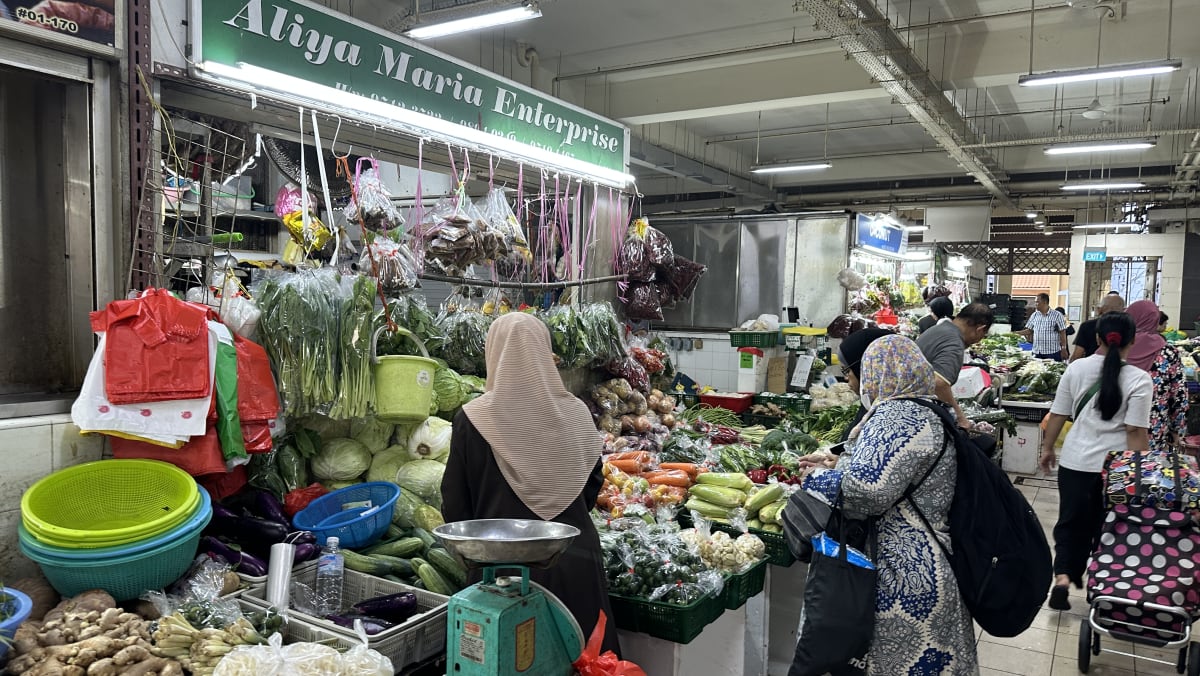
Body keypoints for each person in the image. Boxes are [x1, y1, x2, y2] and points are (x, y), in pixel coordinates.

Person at [440, 313, 620, 655]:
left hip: (500, 573)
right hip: (573, 559)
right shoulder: (578, 413)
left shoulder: (473, 419)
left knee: (508, 658)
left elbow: (455, 507)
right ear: (544, 353)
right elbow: (592, 487)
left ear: (495, 354)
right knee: (582, 657)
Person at [800, 335, 976, 675]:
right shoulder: (923, 408)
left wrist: (814, 479)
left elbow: (866, 492)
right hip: (929, 558)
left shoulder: (897, 415)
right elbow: (891, 474)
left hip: (904, 572)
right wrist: (837, 463)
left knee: (897, 662)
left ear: (878, 371)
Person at [1039, 312, 1152, 611]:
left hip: (1075, 463)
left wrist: (1047, 448)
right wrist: (1142, 473)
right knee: (1110, 530)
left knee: (1070, 524)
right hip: (1115, 471)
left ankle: (1062, 579)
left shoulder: (1076, 369)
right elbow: (1136, 432)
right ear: (1133, 341)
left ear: (1098, 339)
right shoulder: (1140, 380)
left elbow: (1058, 413)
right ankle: (1102, 590)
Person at [916, 302, 995, 428]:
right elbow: (939, 383)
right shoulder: (954, 342)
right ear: (980, 329)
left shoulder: (938, 329)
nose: (980, 340)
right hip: (917, 413)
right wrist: (960, 418)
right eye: (983, 336)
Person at [1126, 300, 1190, 453]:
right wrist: (1177, 430)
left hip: (1116, 428)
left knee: (1115, 471)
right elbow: (1179, 395)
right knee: (1145, 471)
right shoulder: (1167, 353)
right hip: (1153, 428)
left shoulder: (1119, 347)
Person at [833, 328, 895, 445]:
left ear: (865, 367)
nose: (846, 378)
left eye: (846, 370)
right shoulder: (871, 403)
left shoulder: (889, 419)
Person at [1070, 294, 1125, 361]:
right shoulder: (1127, 327)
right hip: (1120, 367)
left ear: (1099, 309)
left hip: (1090, 367)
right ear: (1124, 310)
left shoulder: (1087, 326)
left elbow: (1077, 355)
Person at [1019, 293, 1068, 361]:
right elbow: (1029, 330)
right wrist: (1016, 333)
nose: (1035, 304)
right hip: (1037, 352)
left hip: (1052, 352)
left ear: (1045, 302)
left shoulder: (1057, 315)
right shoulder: (1034, 315)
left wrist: (1063, 348)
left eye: (1037, 302)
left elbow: (1062, 332)